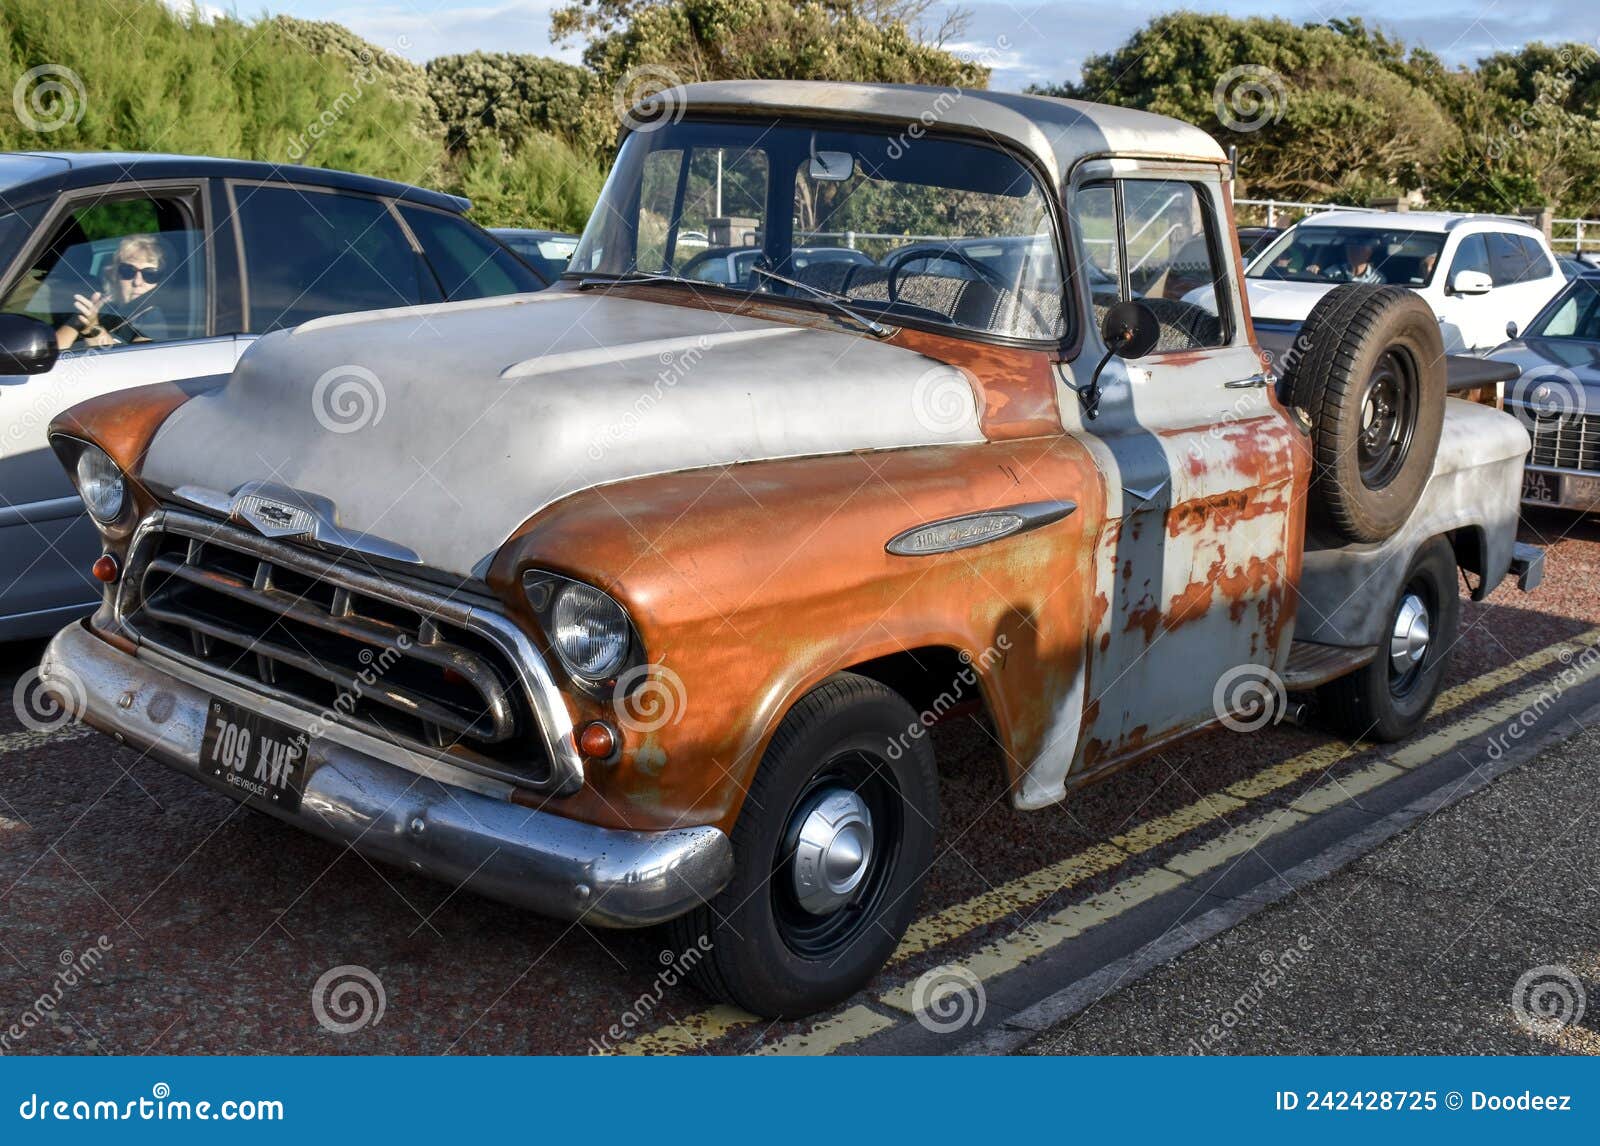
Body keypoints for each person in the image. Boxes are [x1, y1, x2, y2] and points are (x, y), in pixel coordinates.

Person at [55, 233, 170, 350]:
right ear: (114, 274)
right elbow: (51, 352)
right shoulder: (104, 307)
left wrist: (92, 329)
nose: (137, 282)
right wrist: (81, 318)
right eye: (128, 271)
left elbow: (130, 363)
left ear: (162, 281)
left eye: (150, 274)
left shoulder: (153, 320)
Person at [1317, 237, 1386, 284]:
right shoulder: (1333, 272)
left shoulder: (1378, 279)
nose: (1352, 253)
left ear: (1368, 253)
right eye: (1349, 249)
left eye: (1357, 250)